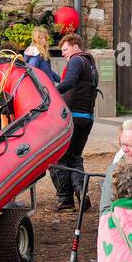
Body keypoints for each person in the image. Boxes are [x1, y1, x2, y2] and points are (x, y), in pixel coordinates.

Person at [50, 33, 98, 210]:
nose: (63, 54)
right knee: (75, 157)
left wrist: (51, 92)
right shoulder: (90, 63)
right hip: (87, 117)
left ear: (75, 47)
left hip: (73, 117)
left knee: (58, 157)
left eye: (65, 49)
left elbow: (69, 82)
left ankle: (65, 200)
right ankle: (81, 192)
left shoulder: (76, 61)